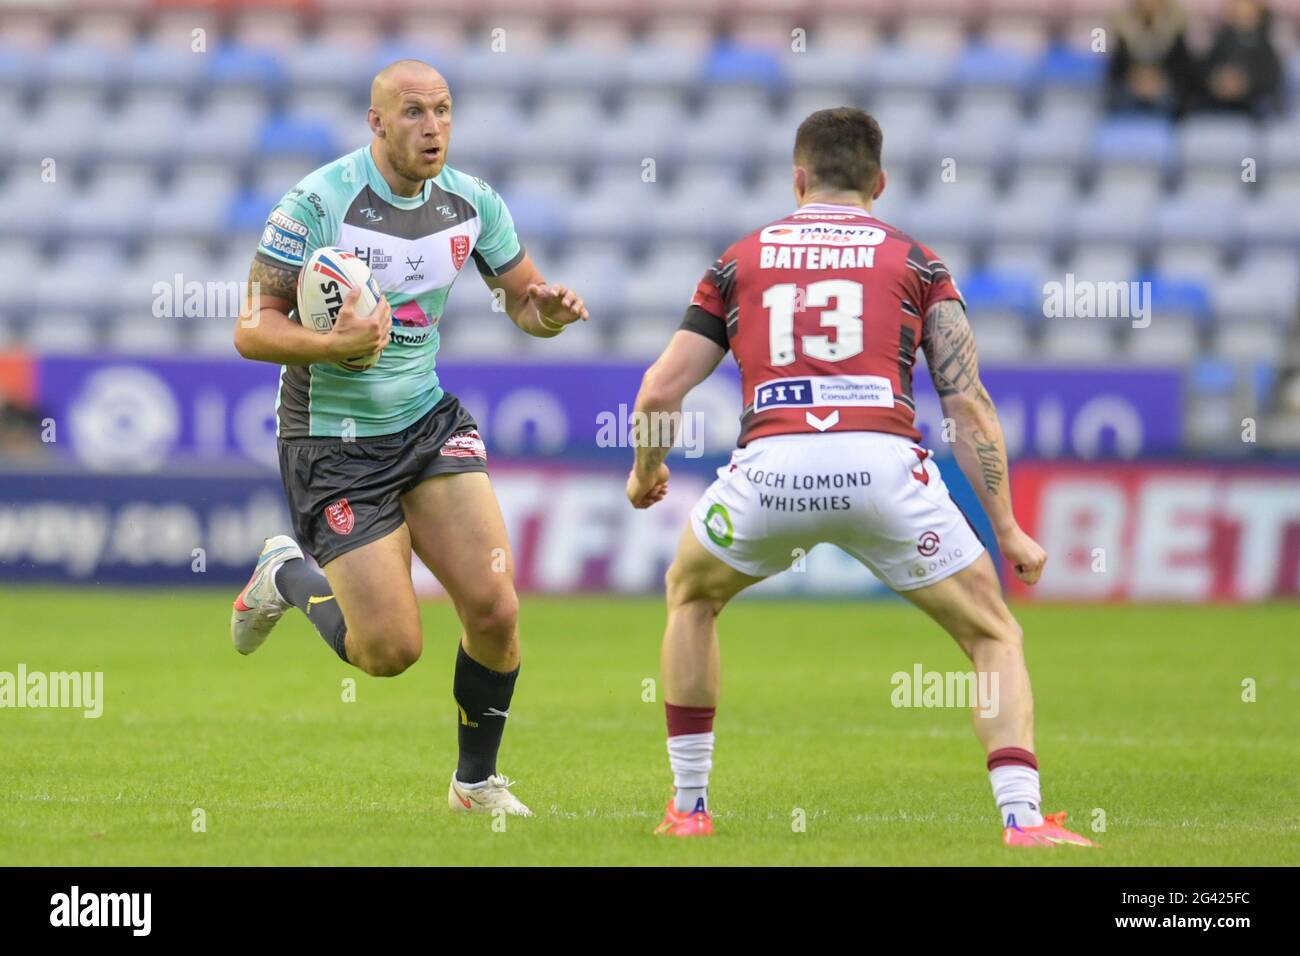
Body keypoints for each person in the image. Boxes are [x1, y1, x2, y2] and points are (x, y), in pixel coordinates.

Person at [626, 108, 1096, 847]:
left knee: (691, 594)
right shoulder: (918, 262)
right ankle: (1023, 818)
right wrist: (1006, 528)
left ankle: (688, 809)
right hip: (883, 470)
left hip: (770, 472)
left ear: (798, 178)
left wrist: (645, 472)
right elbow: (966, 403)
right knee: (994, 635)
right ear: (879, 181)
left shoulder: (738, 260)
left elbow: (659, 390)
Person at [230, 60, 588, 817]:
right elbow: (251, 329)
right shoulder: (317, 203)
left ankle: (476, 784)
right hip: (332, 441)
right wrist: (335, 346)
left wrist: (544, 311)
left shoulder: (472, 203)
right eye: (416, 112)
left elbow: (521, 297)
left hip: (427, 423)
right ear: (377, 122)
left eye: (445, 111)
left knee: (494, 609)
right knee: (389, 651)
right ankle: (286, 576)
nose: (434, 128)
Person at [1106, 0, 1198, 117]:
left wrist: (1160, 83)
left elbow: (1184, 71)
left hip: (1167, 93)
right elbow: (1116, 70)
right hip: (1131, 91)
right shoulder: (1124, 27)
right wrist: (1136, 81)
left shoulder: (1176, 27)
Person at [1200, 0, 1283, 116]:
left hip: (1252, 111)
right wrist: (1218, 81)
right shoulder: (1222, 41)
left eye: (1248, 14)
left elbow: (1270, 78)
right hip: (1219, 111)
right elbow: (1206, 70)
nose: (1244, 17)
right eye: (1240, 14)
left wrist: (1246, 84)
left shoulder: (1265, 46)